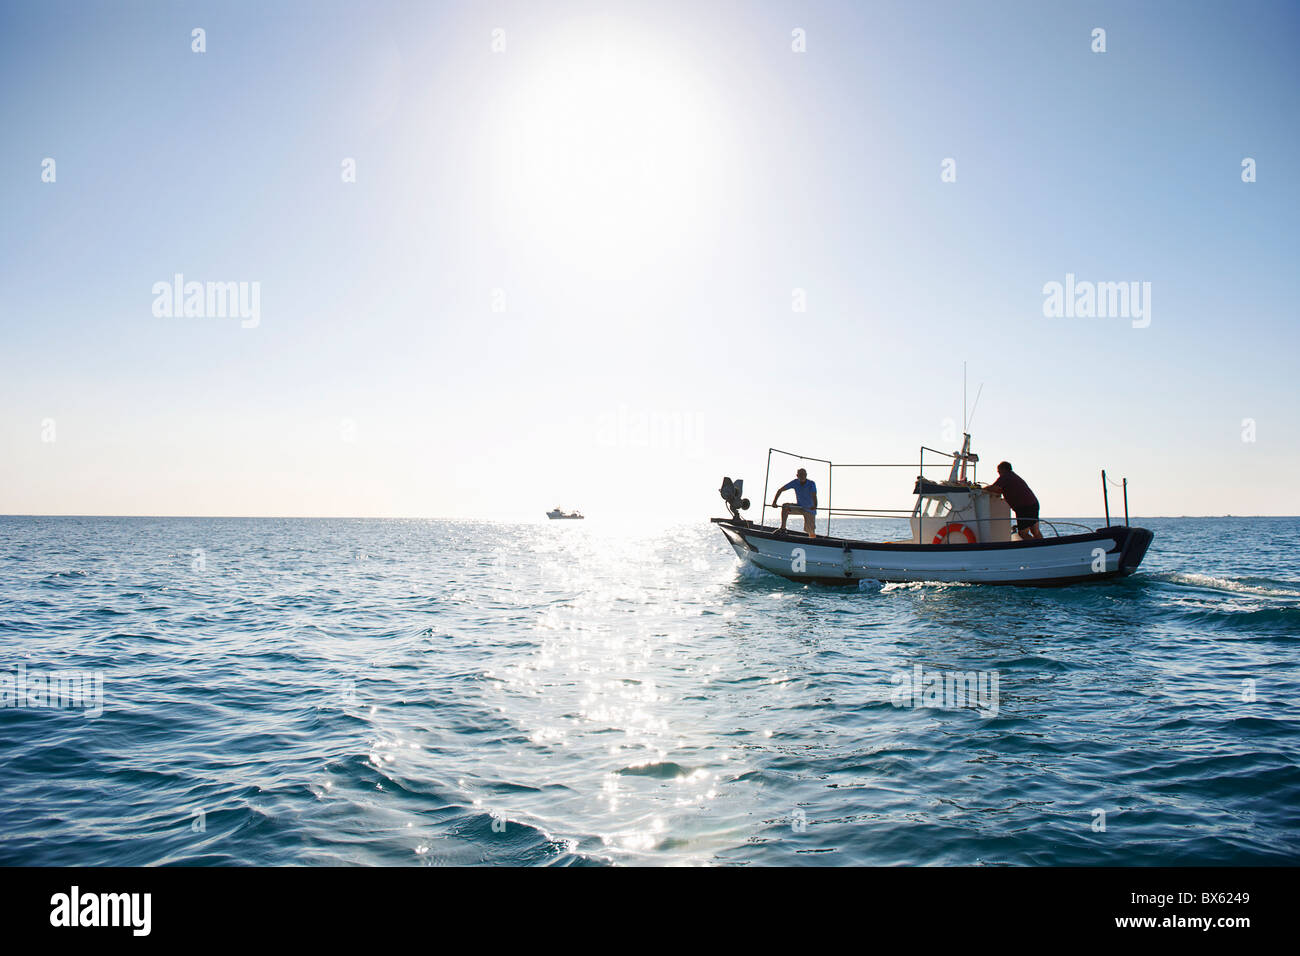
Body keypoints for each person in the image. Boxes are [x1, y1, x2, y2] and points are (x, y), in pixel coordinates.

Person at [986, 461, 1042, 539]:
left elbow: (994, 487)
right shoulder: (1013, 476)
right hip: (1033, 504)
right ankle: (1043, 548)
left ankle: (1036, 547)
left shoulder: (1006, 476)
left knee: (1022, 533)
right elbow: (1003, 489)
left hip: (1024, 507)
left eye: (999, 471)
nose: (998, 473)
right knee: (1035, 531)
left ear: (1003, 469)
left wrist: (983, 488)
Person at [772, 467, 818, 537]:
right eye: (800, 475)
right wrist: (774, 502)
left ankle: (813, 543)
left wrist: (815, 506)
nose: (802, 476)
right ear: (797, 476)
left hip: (809, 509)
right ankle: (783, 529)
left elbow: (814, 496)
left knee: (811, 532)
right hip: (799, 507)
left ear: (806, 475)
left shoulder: (811, 483)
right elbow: (780, 490)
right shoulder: (795, 482)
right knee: (785, 506)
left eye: (804, 474)